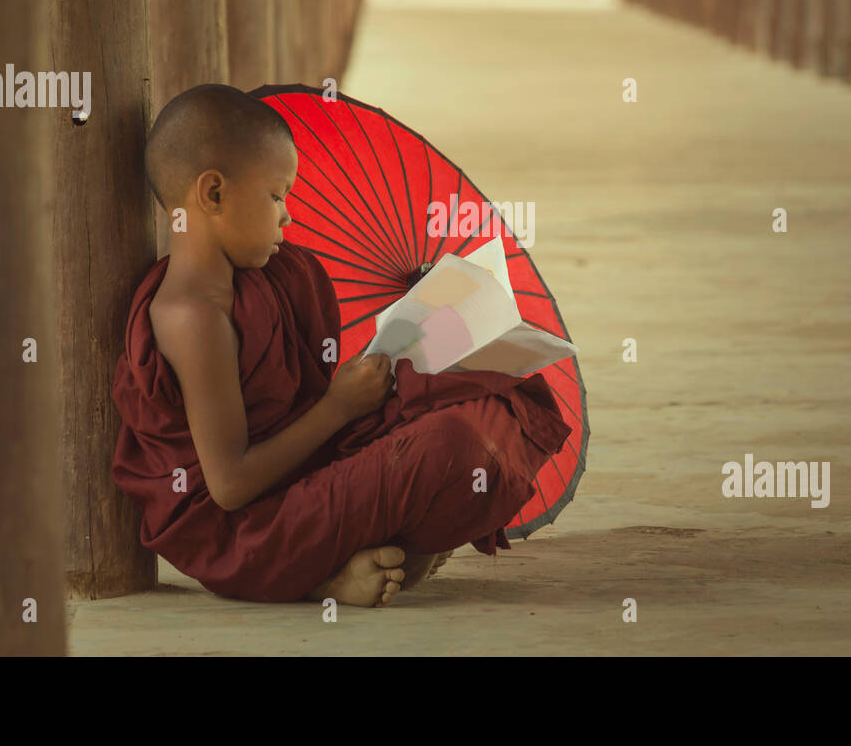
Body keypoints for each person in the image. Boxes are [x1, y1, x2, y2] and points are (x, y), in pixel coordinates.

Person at [111, 83, 572, 606]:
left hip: (301, 479)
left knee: (483, 403)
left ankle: (362, 552)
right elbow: (230, 485)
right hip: (248, 533)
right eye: (276, 195)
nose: (287, 215)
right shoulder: (192, 316)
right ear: (214, 194)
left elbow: (297, 407)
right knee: (453, 445)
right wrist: (338, 406)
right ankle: (324, 580)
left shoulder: (272, 278)